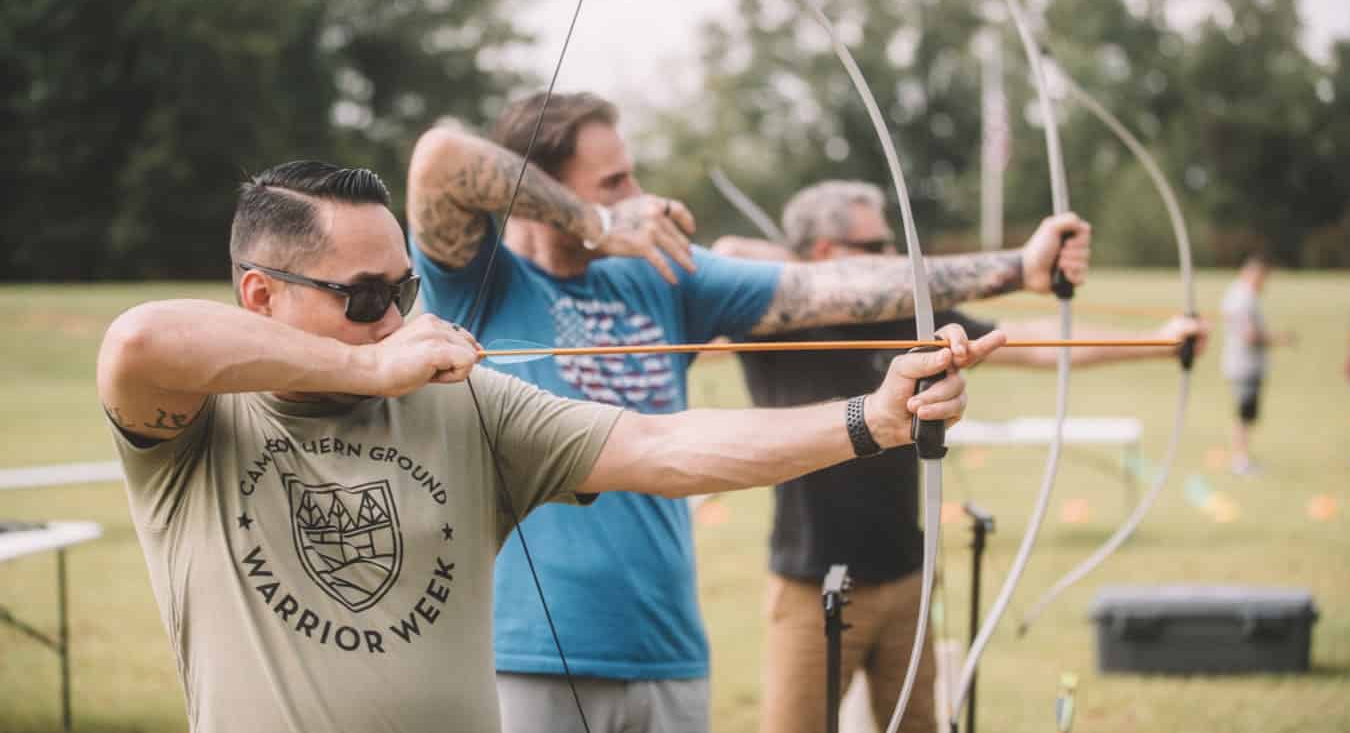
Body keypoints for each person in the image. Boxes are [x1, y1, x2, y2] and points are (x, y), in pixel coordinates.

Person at [97, 160, 993, 733]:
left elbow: (662, 445)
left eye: (404, 293)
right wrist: (366, 367)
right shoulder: (199, 428)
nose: (396, 322)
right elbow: (139, 341)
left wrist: (872, 420)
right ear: (260, 296)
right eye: (364, 299)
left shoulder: (464, 405)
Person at [405, 92, 1090, 733]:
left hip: (668, 649)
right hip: (523, 654)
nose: (638, 197)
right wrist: (599, 224)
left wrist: (1018, 268)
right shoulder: (478, 282)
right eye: (613, 183)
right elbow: (441, 160)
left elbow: (827, 285)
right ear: (537, 191)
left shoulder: (661, 273)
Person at [712, 179, 1208, 733]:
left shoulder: (907, 313)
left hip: (907, 577)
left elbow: (1030, 341)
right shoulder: (771, 317)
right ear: (823, 251)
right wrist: (803, 270)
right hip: (812, 582)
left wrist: (1157, 341)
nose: (895, 257)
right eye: (876, 247)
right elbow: (727, 252)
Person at [1221, 253, 1295, 475]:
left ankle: (1241, 457)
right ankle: (1240, 460)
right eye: (1263, 277)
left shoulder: (1238, 294)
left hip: (1244, 364)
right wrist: (1278, 340)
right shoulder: (1243, 297)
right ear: (1254, 273)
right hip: (1245, 365)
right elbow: (1249, 335)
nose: (1264, 283)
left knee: (1245, 414)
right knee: (1244, 415)